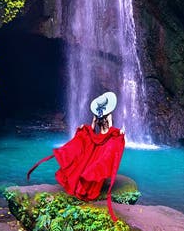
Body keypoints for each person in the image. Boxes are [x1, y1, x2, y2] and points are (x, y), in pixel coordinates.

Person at [27, 91, 125, 221]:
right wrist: (119, 133)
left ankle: (83, 185)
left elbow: (92, 127)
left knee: (89, 162)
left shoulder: (96, 115)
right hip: (104, 141)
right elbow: (111, 130)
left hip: (96, 141)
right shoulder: (109, 116)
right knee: (99, 163)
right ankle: (91, 187)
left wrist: (85, 130)